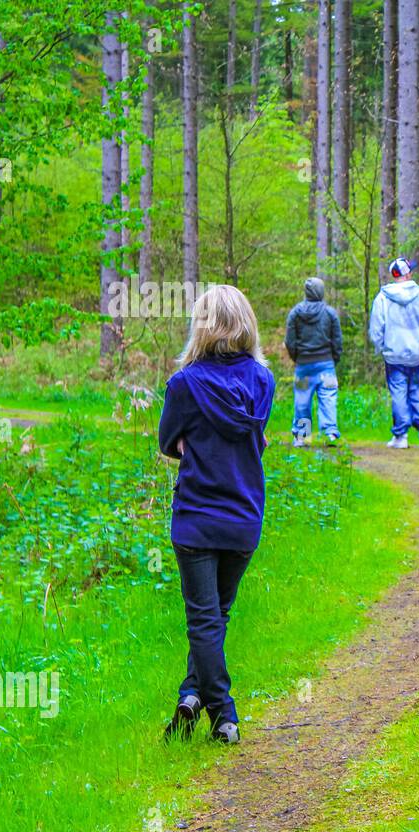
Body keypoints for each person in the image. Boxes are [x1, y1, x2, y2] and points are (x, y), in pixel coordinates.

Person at [157, 285, 276, 745]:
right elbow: (255, 438)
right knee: (216, 615)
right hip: (244, 514)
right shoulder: (262, 381)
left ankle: (223, 716)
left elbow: (168, 441)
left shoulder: (184, 384)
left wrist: (192, 442)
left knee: (204, 619)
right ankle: (190, 695)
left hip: (197, 518)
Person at [369, 256, 419, 449]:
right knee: (418, 390)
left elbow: (376, 327)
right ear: (407, 274)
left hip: (394, 354)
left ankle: (401, 435)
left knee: (399, 391)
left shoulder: (383, 297)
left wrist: (380, 347)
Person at [284, 276, 343, 446]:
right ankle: (330, 434)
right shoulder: (330, 313)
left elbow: (290, 341)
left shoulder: (295, 313)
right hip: (327, 365)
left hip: (303, 367)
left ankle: (302, 436)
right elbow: (337, 341)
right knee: (329, 398)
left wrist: (297, 358)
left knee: (302, 400)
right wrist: (334, 359)